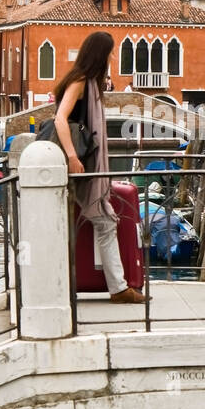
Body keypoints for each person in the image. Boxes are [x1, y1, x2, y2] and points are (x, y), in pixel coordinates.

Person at [53, 30, 148, 305]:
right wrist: (72, 156)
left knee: (98, 222)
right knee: (105, 222)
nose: (113, 56)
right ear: (100, 55)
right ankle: (118, 289)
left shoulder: (89, 82)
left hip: (84, 163)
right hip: (79, 164)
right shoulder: (81, 81)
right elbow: (60, 118)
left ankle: (104, 287)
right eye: (110, 51)